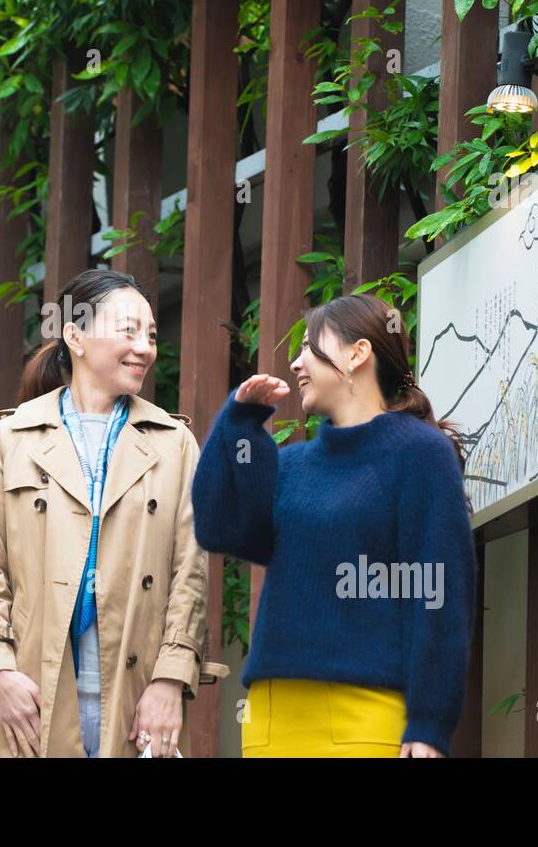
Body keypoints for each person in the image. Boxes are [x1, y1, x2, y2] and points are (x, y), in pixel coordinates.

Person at [193, 293, 476, 757]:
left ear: (357, 353)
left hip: (363, 715)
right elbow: (219, 529)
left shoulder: (420, 454)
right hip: (270, 716)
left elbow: (442, 595)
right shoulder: (293, 464)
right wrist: (239, 425)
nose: (297, 362)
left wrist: (429, 724)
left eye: (309, 345)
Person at [0, 268, 226, 757]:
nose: (145, 347)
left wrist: (171, 679)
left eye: (149, 335)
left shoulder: (175, 444)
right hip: (32, 691)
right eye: (128, 330)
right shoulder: (10, 439)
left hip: (139, 696)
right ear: (75, 335)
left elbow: (190, 574)